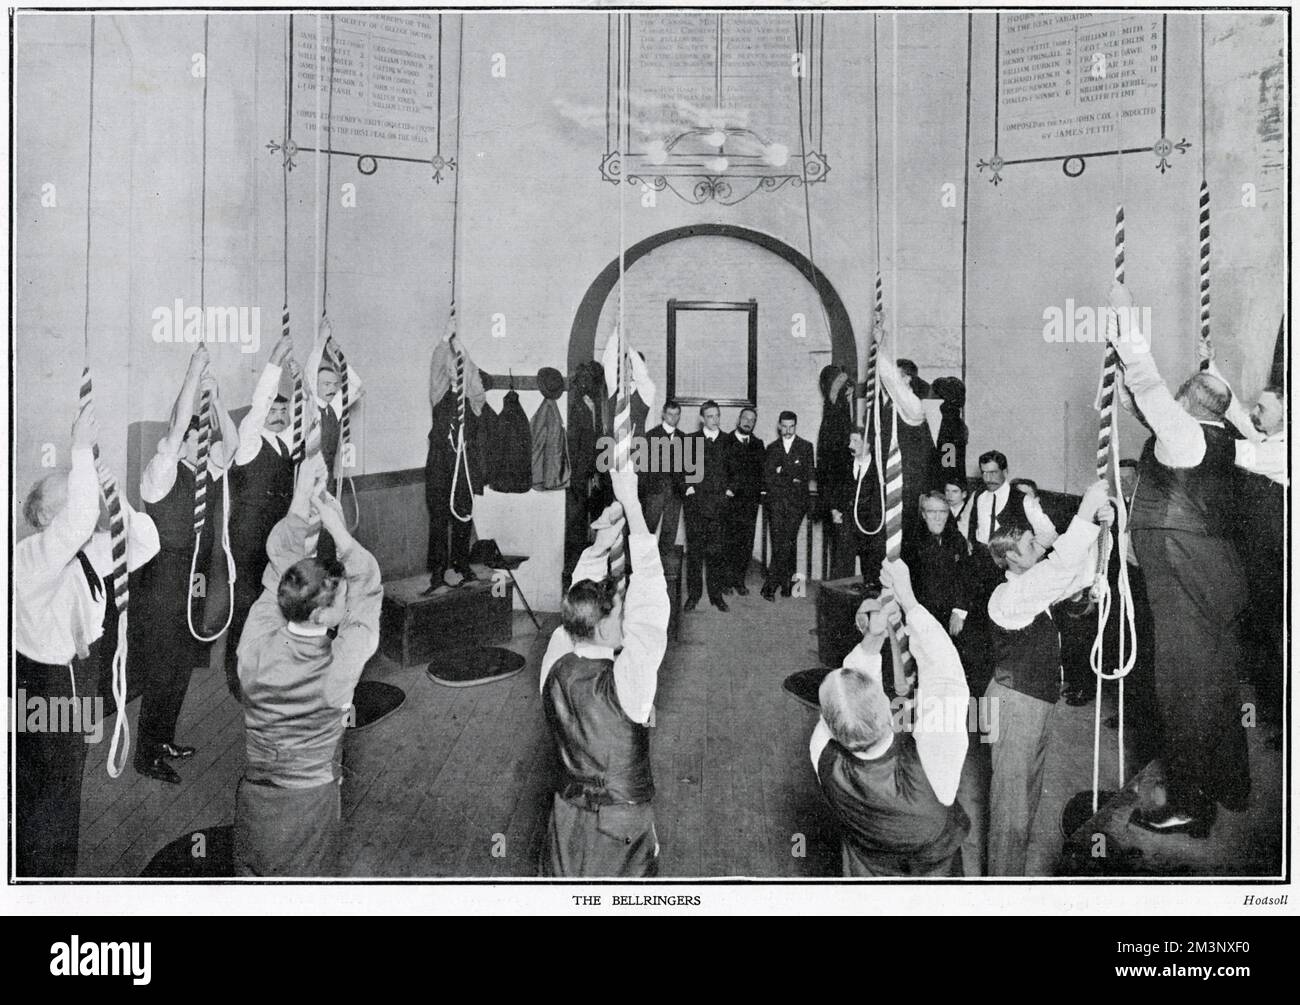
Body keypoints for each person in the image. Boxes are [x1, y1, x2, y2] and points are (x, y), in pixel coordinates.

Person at [1108, 282, 1251, 835]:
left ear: (1190, 401)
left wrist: (1124, 322)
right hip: (1215, 577)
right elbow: (1142, 402)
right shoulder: (1221, 438)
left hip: (1185, 577)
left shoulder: (1185, 436)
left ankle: (1190, 804)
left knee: (1183, 689)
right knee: (1217, 681)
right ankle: (1232, 785)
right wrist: (1122, 373)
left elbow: (1149, 388)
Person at [14, 401, 160, 875]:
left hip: (82, 669)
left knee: (63, 776)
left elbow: (146, 543)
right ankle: (41, 879)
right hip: (42, 680)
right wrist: (80, 449)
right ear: (43, 518)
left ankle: (51, 866)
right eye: (72, 500)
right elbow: (76, 520)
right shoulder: (30, 557)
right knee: (49, 783)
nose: (85, 506)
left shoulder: (87, 550)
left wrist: (115, 499)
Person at [234, 455, 382, 876]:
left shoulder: (254, 646)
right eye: (339, 601)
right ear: (322, 617)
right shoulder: (339, 664)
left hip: (255, 799)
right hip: (308, 803)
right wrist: (338, 529)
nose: (345, 602)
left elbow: (279, 567)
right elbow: (369, 591)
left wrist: (301, 497)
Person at [538, 467, 670, 876]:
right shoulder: (630, 682)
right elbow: (650, 600)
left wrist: (600, 544)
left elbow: (580, 593)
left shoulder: (556, 657)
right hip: (621, 827)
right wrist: (631, 504)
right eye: (617, 612)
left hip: (565, 820)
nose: (624, 614)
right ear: (602, 625)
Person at [811, 557, 971, 876]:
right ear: (888, 712)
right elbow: (947, 679)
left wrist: (874, 635)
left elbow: (850, 693)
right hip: (931, 874)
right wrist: (909, 600)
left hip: (866, 870)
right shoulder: (932, 766)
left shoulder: (821, 754)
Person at [983, 479, 1110, 875]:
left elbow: (1074, 572)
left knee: (1027, 796)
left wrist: (1098, 534)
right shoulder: (1010, 596)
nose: (1040, 547)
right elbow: (1059, 568)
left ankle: (1013, 873)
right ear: (1012, 560)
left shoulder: (1033, 589)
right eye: (1030, 546)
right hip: (1011, 704)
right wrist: (1086, 513)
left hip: (1035, 702)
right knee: (1010, 808)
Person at [132, 347, 239, 784]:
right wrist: (194, 372)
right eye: (194, 439)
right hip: (160, 587)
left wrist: (215, 400)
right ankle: (145, 754)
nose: (202, 443)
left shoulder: (204, 476)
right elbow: (176, 429)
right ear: (176, 446)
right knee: (160, 673)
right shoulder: (160, 474)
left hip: (191, 586)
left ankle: (163, 740)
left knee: (179, 670)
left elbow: (230, 444)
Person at [225, 333, 296, 696]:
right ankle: (238, 678)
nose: (280, 415)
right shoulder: (249, 441)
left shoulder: (285, 445)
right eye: (274, 410)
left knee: (275, 604)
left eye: (284, 411)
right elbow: (259, 405)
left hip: (277, 537)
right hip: (248, 538)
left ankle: (269, 670)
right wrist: (275, 361)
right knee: (247, 605)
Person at [835, 344, 932, 588]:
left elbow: (891, 380)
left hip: (905, 487)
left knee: (903, 544)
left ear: (907, 380)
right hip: (884, 484)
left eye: (897, 380)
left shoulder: (914, 408)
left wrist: (880, 345)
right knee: (878, 541)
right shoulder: (886, 410)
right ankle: (876, 588)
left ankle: (904, 594)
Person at [424, 320, 486, 593]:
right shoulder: (439, 396)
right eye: (452, 369)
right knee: (439, 516)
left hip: (465, 464)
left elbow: (475, 384)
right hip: (441, 463)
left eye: (458, 368)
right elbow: (436, 370)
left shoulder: (473, 402)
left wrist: (465, 356)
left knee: (463, 514)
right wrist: (444, 339)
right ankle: (438, 573)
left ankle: (461, 564)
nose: (454, 371)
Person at [683, 400, 735, 611]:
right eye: (710, 416)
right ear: (702, 418)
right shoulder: (690, 440)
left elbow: (737, 471)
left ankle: (716, 596)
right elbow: (680, 471)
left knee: (716, 553)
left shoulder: (728, 441)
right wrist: (688, 489)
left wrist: (730, 491)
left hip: (719, 506)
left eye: (717, 416)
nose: (715, 420)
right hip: (695, 506)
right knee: (694, 553)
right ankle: (694, 595)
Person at [761, 410, 814, 600]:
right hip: (776, 503)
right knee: (780, 543)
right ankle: (786, 586)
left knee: (788, 541)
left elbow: (807, 475)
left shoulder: (806, 447)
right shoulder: (771, 447)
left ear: (796, 426)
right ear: (779, 426)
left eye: (791, 426)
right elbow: (768, 476)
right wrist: (790, 476)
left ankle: (770, 586)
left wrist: (781, 472)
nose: (788, 430)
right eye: (784, 426)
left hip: (796, 504)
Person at [817, 365, 857, 580]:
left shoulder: (837, 415)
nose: (850, 393)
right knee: (842, 552)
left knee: (843, 551)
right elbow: (830, 468)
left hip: (843, 500)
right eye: (846, 389)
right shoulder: (835, 419)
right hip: (840, 501)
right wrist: (835, 505)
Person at [723, 406, 764, 594]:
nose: (748, 422)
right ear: (738, 420)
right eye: (745, 418)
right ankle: (726, 581)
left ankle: (739, 580)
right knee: (728, 541)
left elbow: (761, 474)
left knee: (746, 542)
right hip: (729, 502)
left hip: (750, 503)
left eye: (752, 420)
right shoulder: (725, 441)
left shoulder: (758, 444)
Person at [640, 400, 686, 554]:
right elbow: (643, 468)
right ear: (663, 414)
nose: (673, 417)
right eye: (670, 414)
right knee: (648, 530)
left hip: (675, 494)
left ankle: (662, 569)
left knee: (669, 533)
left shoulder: (684, 438)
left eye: (676, 414)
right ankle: (642, 568)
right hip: (654, 492)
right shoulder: (651, 436)